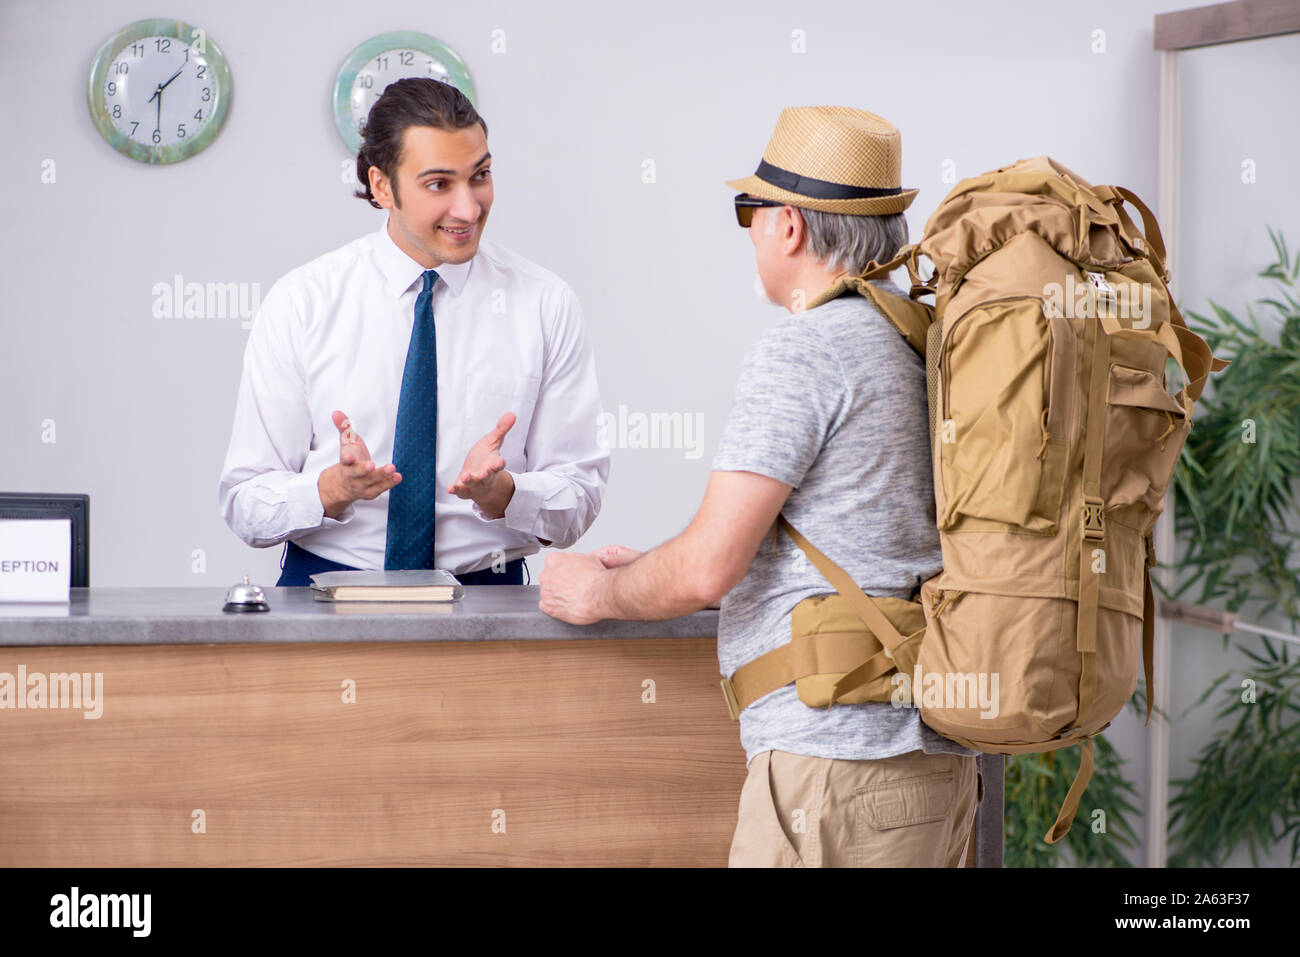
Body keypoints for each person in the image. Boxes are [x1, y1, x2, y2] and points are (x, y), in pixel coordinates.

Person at [538, 106, 981, 867]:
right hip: (935, 766)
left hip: (833, 773)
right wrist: (656, 568)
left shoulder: (805, 349)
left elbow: (712, 563)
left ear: (788, 228)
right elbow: (859, 533)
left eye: (749, 210)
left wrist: (598, 594)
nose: (747, 232)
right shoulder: (922, 343)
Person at [218, 78, 608, 585]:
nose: (468, 209)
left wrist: (503, 494)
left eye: (481, 176)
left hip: (490, 602)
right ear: (382, 187)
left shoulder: (545, 304)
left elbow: (579, 497)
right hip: (324, 598)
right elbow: (245, 503)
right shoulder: (303, 302)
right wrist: (332, 488)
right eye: (439, 184)